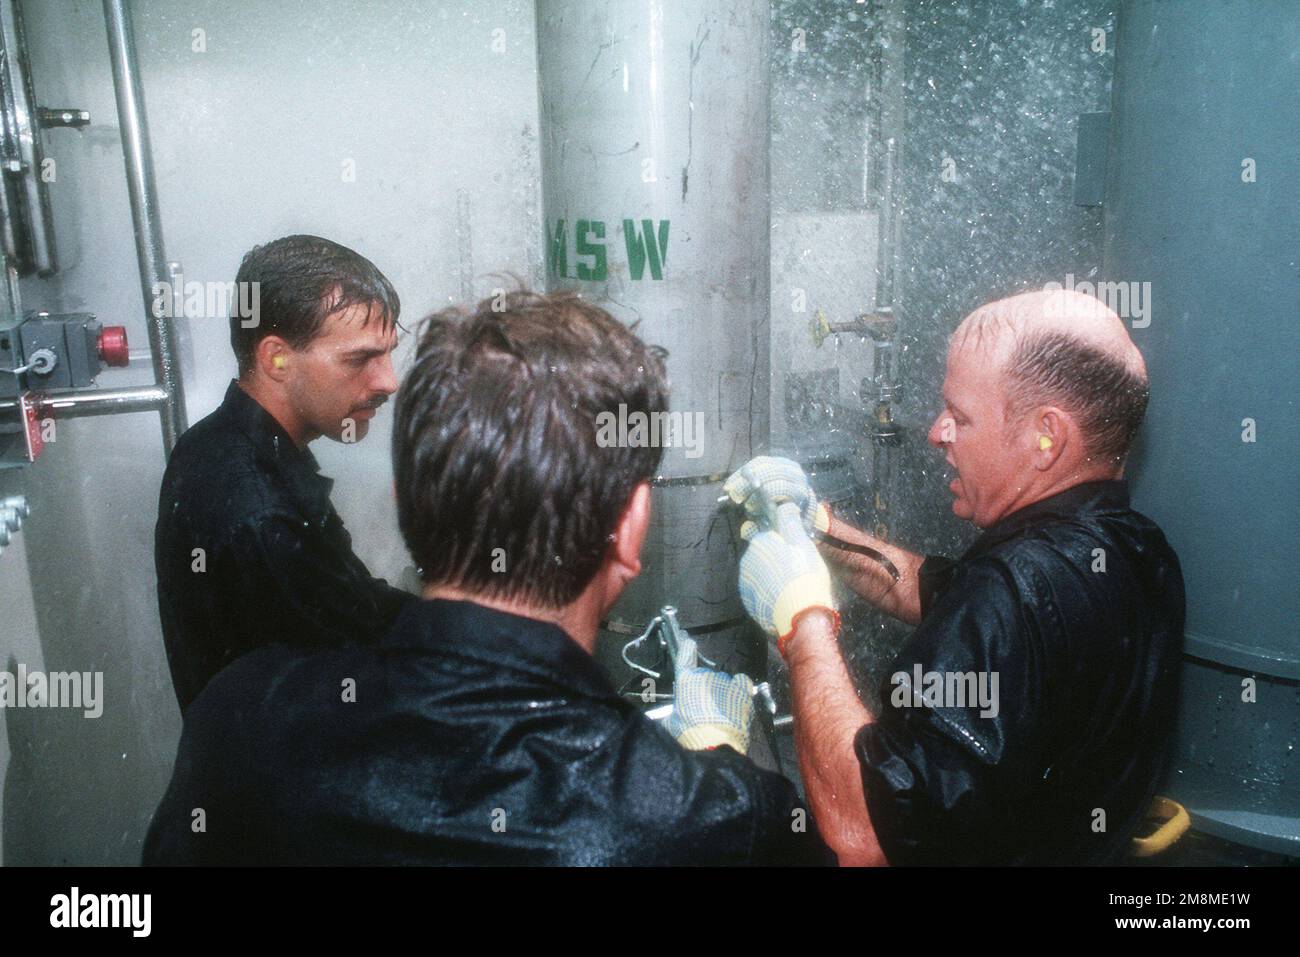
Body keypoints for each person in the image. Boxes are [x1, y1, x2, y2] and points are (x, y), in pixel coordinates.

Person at [144, 289, 832, 866]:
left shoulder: (236, 720)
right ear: (631, 526)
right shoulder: (715, 822)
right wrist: (717, 766)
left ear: (407, 501)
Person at [729, 288, 1185, 865]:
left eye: (960, 416)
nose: (936, 431)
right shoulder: (1136, 551)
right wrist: (816, 526)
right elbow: (948, 597)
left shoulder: (1010, 589)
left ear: (1047, 437)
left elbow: (863, 832)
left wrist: (802, 621)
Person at [154, 234, 413, 712]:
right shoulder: (260, 513)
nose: (388, 381)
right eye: (360, 359)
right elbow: (366, 674)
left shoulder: (216, 442)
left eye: (388, 353)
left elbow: (353, 605)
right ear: (276, 358)